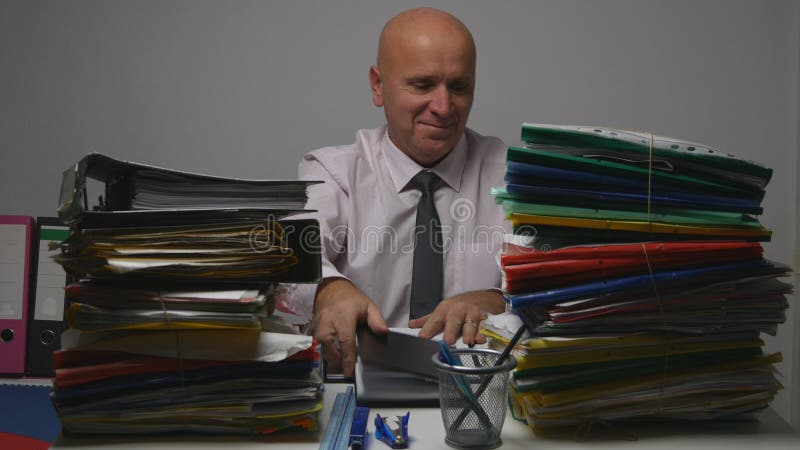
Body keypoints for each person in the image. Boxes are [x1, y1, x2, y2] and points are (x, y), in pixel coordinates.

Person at [298, 7, 508, 377]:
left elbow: (559, 284)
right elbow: (295, 251)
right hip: (357, 386)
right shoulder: (334, 172)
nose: (443, 107)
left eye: (459, 87)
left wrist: (498, 302)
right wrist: (330, 289)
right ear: (378, 86)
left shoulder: (514, 179)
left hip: (481, 389)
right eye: (423, 85)